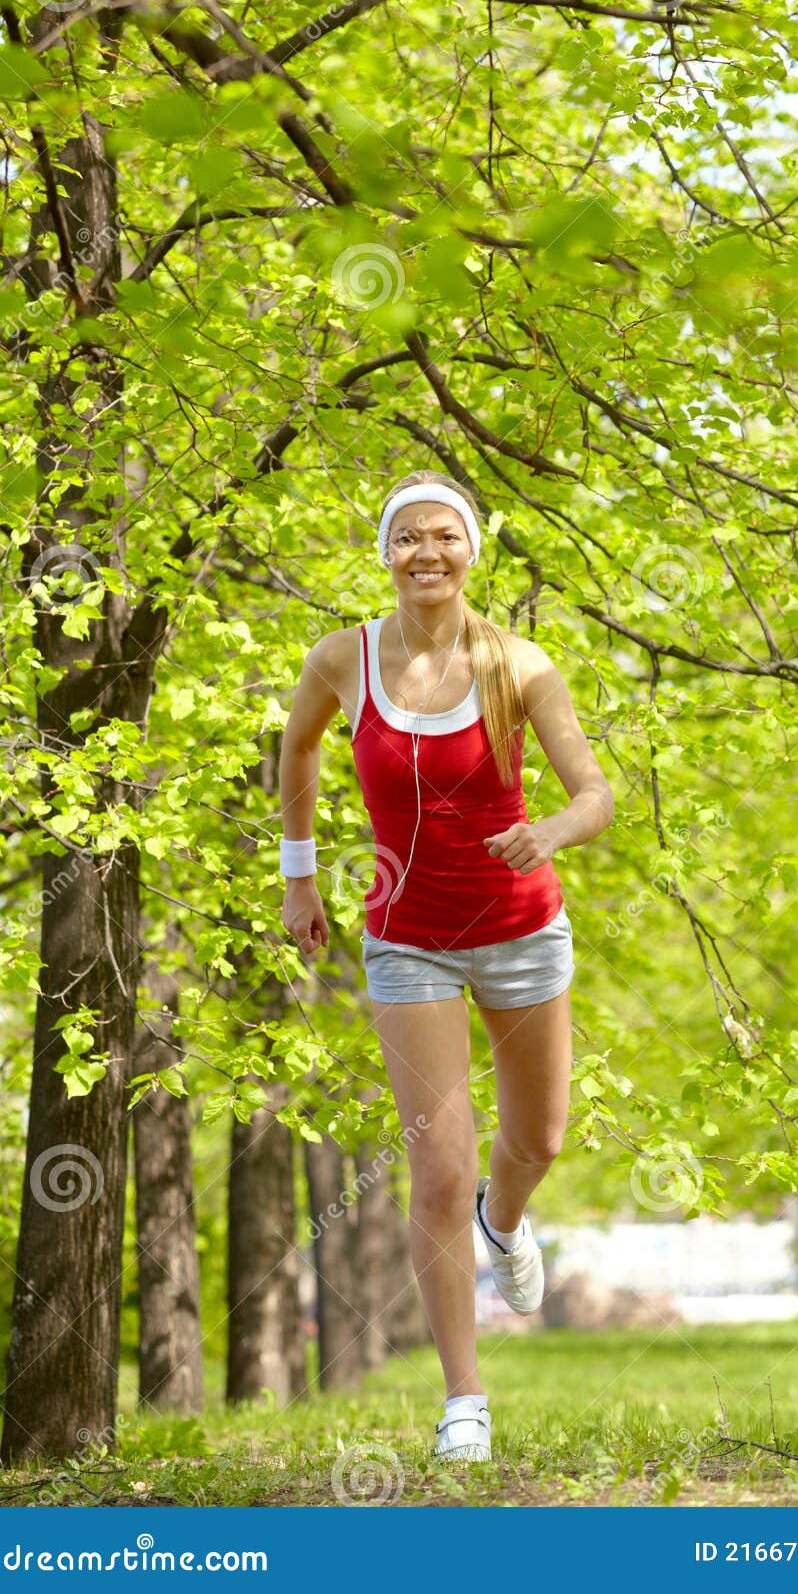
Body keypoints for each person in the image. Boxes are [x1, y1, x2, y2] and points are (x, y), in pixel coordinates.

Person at [278, 472, 614, 1462]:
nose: (425, 553)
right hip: (406, 937)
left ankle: (503, 1222)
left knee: (537, 1137)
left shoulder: (518, 665)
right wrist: (299, 882)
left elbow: (594, 792)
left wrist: (545, 829)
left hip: (520, 929)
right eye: (406, 539)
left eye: (444, 536)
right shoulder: (343, 659)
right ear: (385, 552)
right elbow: (295, 754)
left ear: (470, 550)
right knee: (435, 1167)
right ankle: (462, 1399)